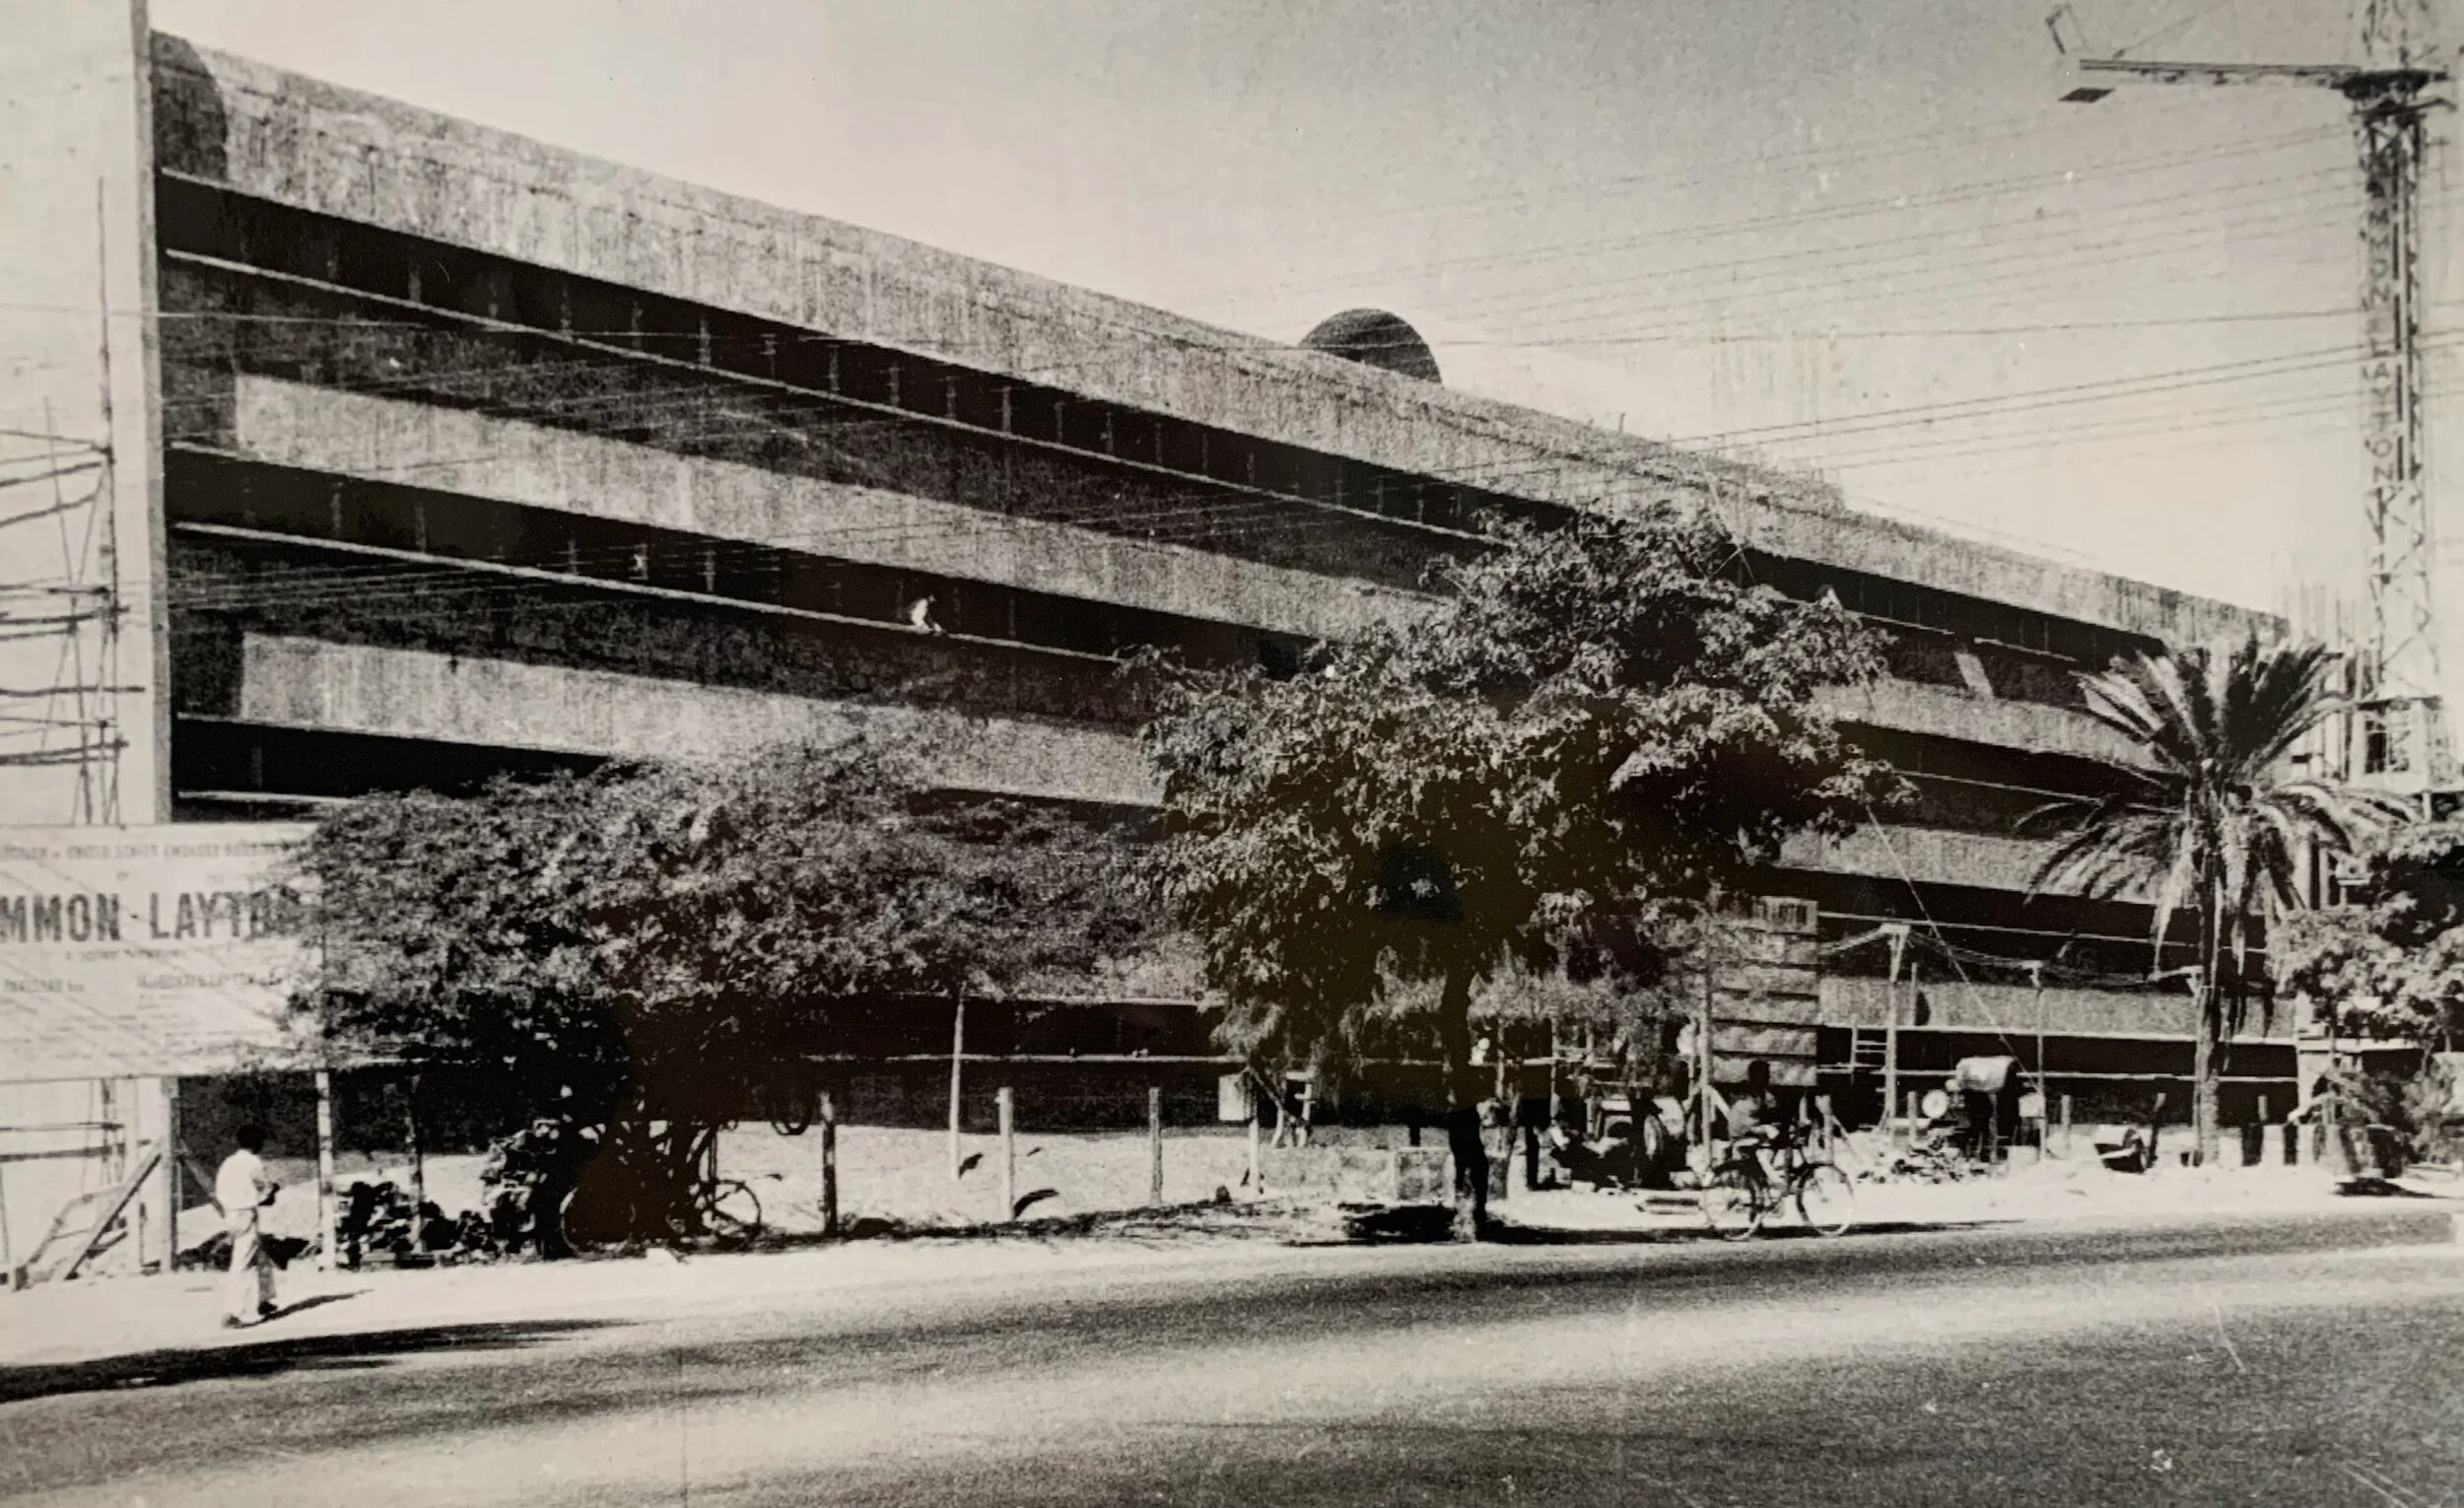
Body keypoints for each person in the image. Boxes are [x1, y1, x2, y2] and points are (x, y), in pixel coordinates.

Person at [214, 1125, 280, 1329]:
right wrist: (271, 1191)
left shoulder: (228, 1162)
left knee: (261, 1255)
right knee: (242, 1264)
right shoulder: (253, 1162)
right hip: (246, 1213)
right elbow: (266, 1188)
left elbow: (220, 1190)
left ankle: (265, 1300)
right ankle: (232, 1312)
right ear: (257, 1143)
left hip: (230, 1214)